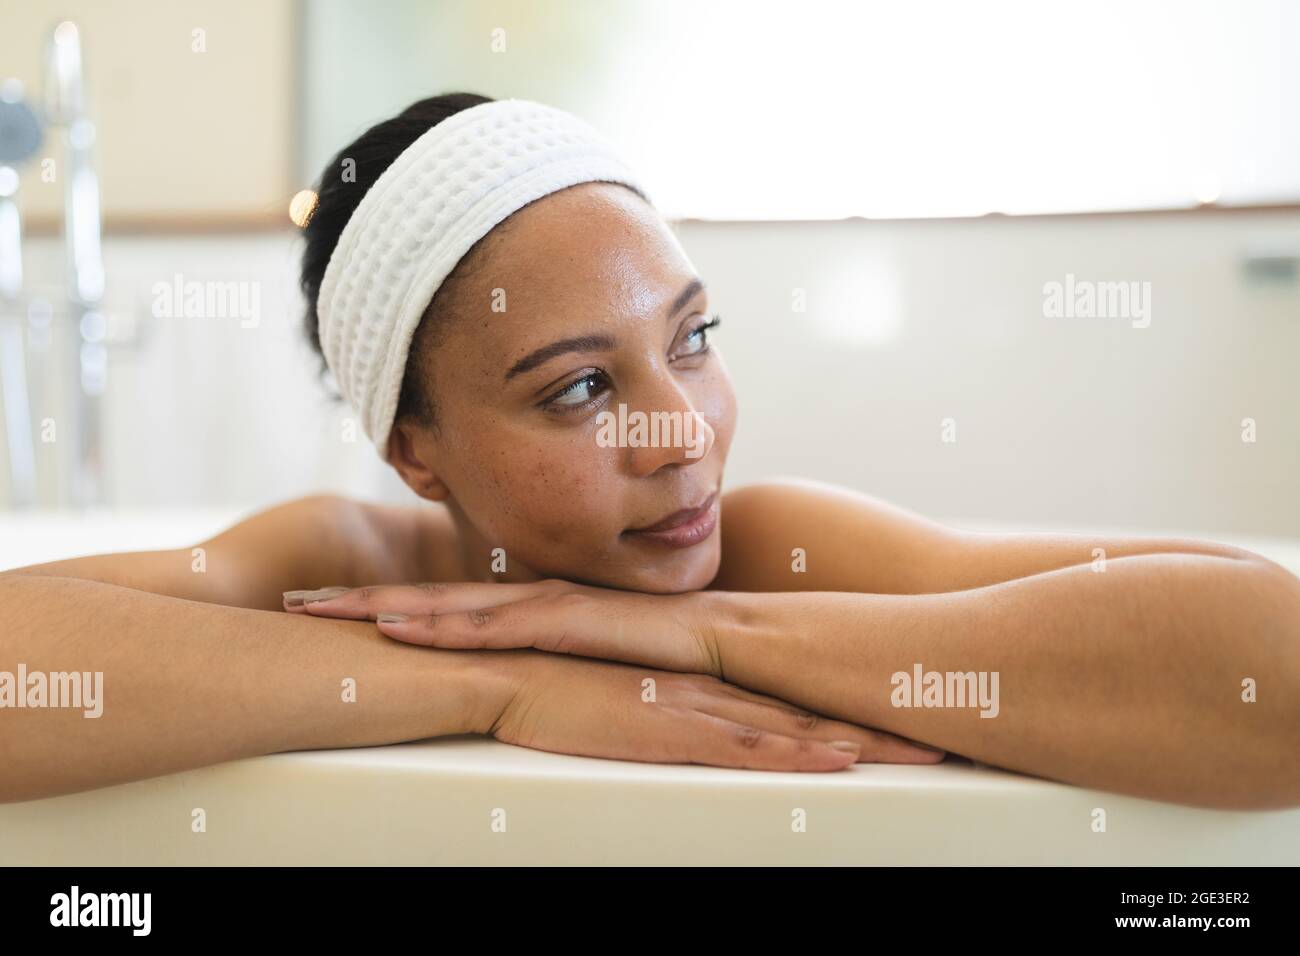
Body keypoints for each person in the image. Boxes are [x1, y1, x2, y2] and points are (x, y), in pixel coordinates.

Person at [4, 94, 1297, 810]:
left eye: (693, 338)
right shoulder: (343, 560)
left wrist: (713, 634)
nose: (681, 432)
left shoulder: (786, 550)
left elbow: (1271, 669)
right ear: (417, 454)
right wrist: (494, 685)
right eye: (575, 389)